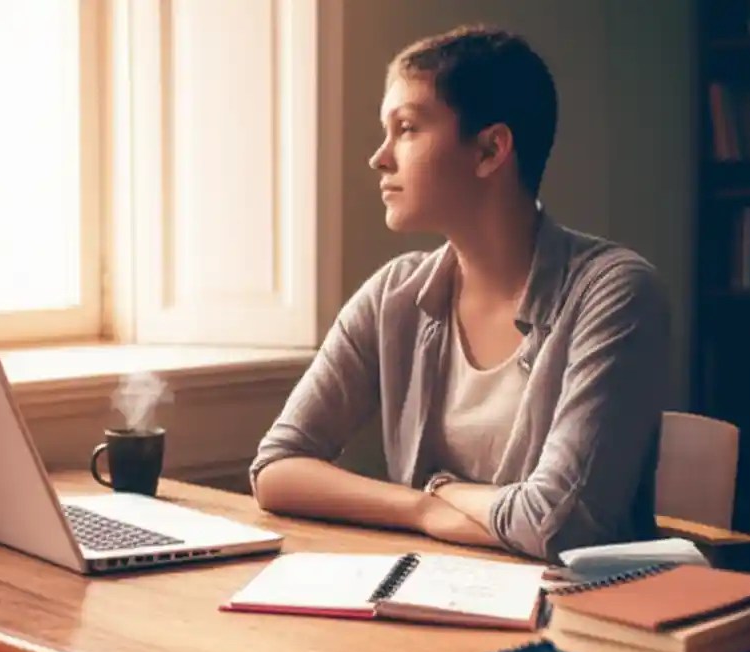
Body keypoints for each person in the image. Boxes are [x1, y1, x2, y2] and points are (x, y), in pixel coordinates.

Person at [249, 24, 670, 562]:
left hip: (582, 619)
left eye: (406, 128)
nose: (380, 157)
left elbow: (558, 524)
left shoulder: (614, 293)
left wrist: (441, 494)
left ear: (490, 150)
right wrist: (422, 507)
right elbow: (277, 468)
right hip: (432, 595)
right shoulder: (394, 294)